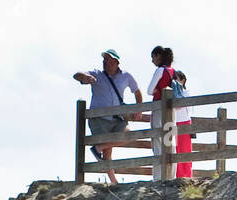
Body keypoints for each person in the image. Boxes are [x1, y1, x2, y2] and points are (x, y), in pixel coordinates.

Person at [73, 49, 143, 185]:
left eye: (109, 60)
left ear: (116, 62)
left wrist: (138, 108)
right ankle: (114, 182)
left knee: (129, 135)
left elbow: (137, 91)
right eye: (104, 60)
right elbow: (76, 75)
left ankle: (97, 148)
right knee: (108, 152)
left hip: (117, 118)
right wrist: (85, 78)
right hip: (99, 119)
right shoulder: (97, 74)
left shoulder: (126, 76)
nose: (105, 63)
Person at [146, 46, 177, 181]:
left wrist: (156, 92)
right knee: (170, 139)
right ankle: (171, 175)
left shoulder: (160, 70)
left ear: (158, 56)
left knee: (158, 141)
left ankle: (158, 178)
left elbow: (149, 90)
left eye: (153, 57)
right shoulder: (172, 71)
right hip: (172, 108)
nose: (152, 60)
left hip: (159, 107)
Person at [173, 70, 193, 178]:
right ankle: (176, 176)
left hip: (184, 123)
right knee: (174, 150)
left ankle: (186, 176)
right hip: (173, 123)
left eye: (176, 78)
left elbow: (179, 105)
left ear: (182, 80)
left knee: (185, 150)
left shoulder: (186, 92)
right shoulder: (171, 93)